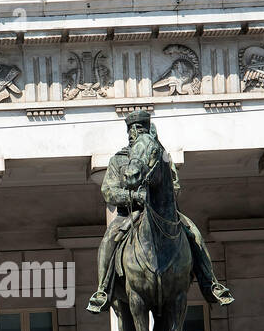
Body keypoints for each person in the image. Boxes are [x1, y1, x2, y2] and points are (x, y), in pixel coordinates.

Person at [87, 109, 233, 313]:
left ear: (148, 131)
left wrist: (160, 195)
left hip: (161, 212)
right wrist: (135, 197)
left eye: (140, 129)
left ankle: (211, 284)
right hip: (130, 213)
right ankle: (103, 290)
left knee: (194, 233)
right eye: (132, 129)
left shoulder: (161, 156)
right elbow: (108, 191)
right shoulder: (118, 160)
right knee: (109, 239)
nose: (135, 133)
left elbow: (174, 184)